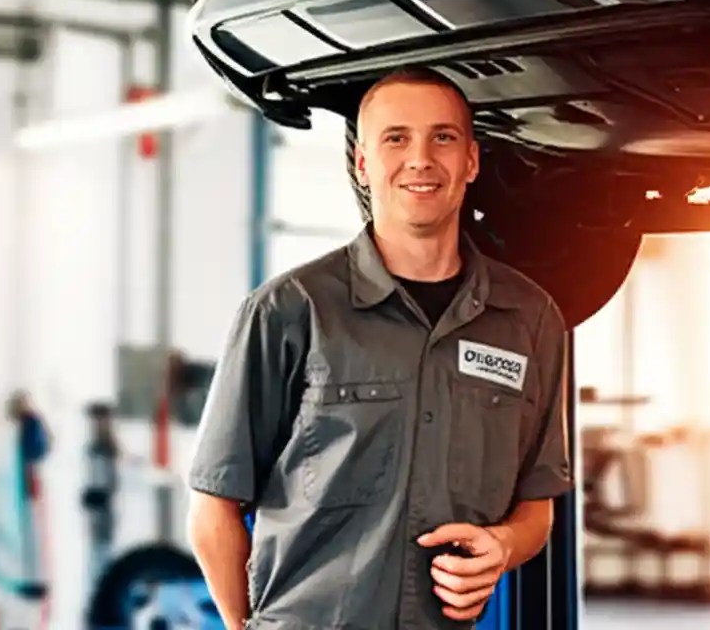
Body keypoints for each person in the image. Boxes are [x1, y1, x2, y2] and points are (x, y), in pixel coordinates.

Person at [185, 66, 573, 629]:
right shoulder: (290, 311)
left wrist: (505, 545)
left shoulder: (529, 319)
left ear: (471, 161)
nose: (420, 158)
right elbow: (214, 504)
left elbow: (537, 501)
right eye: (396, 138)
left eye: (443, 137)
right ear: (364, 164)